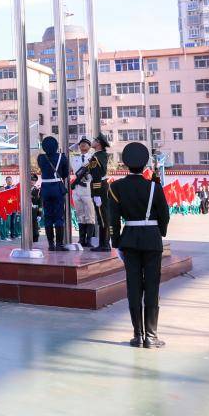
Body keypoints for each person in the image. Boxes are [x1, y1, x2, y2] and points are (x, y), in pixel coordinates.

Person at [105, 141, 170, 349]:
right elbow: (165, 215)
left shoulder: (116, 187)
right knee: (151, 286)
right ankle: (151, 336)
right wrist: (159, 231)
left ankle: (138, 336)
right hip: (151, 240)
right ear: (144, 164)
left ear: (125, 164)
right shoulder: (154, 186)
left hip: (129, 240)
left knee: (133, 287)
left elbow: (113, 219)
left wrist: (116, 242)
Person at [37, 136, 70, 251]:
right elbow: (65, 174)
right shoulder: (62, 157)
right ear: (56, 146)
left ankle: (51, 244)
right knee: (59, 216)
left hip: (45, 188)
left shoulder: (41, 158)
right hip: (57, 188)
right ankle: (59, 244)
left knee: (48, 217)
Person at [70, 137, 98, 249]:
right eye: (81, 144)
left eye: (85, 143)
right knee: (80, 214)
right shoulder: (74, 158)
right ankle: (81, 239)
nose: (82, 145)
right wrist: (73, 147)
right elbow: (65, 154)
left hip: (88, 188)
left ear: (90, 146)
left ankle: (89, 239)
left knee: (90, 215)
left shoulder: (92, 158)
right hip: (77, 189)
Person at [88, 134, 111, 251]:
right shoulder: (101, 155)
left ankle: (104, 244)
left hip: (99, 188)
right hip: (102, 186)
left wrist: (96, 194)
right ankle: (104, 243)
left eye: (95, 140)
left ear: (99, 144)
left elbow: (96, 176)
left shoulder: (96, 157)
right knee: (103, 215)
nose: (92, 142)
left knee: (102, 216)